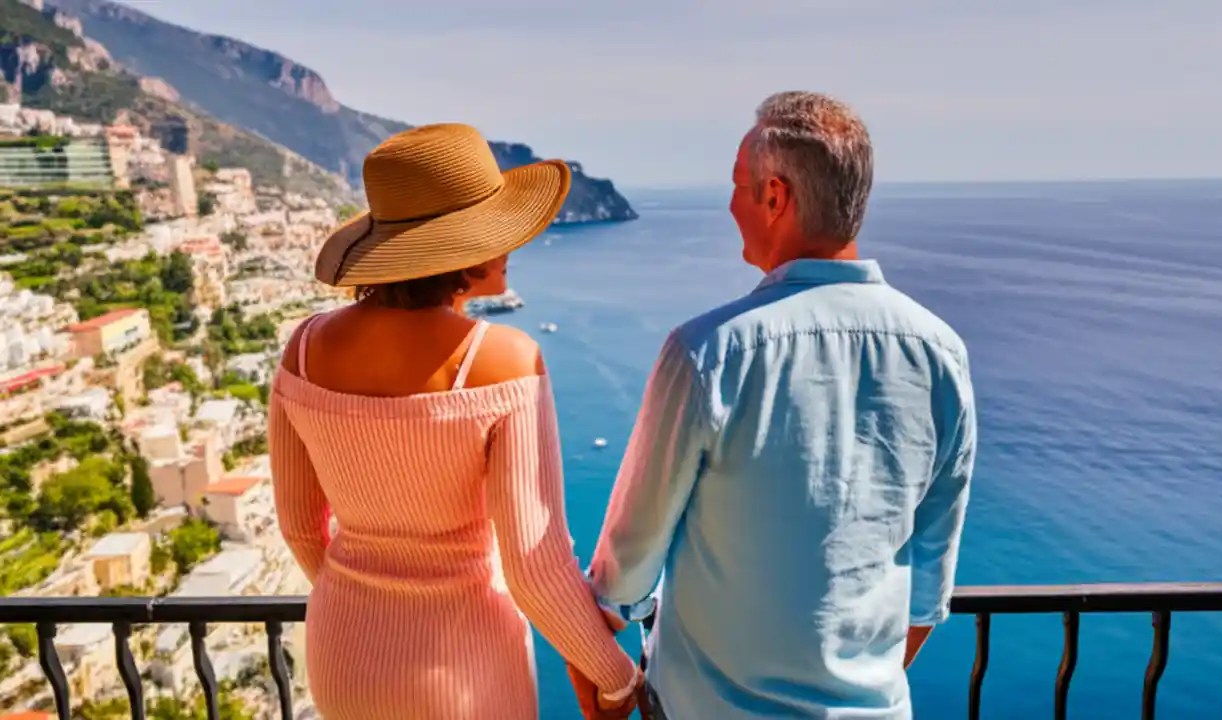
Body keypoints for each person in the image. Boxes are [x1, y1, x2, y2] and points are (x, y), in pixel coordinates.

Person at [586, 92, 979, 719]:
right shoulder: (941, 354)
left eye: (736, 184)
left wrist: (601, 656)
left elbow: (626, 568)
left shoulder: (709, 352)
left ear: (775, 196)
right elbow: (928, 587)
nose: (730, 204)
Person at [269, 123, 644, 719]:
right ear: (460, 249)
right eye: (496, 228)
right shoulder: (502, 359)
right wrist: (616, 678)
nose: (509, 244)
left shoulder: (305, 348)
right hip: (462, 669)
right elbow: (534, 565)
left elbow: (300, 529)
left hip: (342, 651)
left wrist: (368, 609)